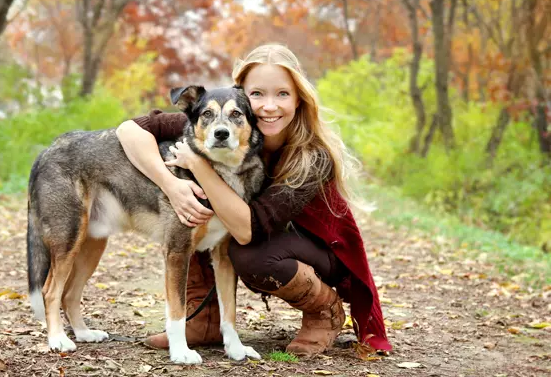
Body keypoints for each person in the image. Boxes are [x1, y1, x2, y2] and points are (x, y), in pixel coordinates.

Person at [116, 43, 392, 356]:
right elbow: (129, 130)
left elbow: (247, 228)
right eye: (258, 94)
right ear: (240, 93)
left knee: (245, 252)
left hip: (318, 251)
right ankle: (204, 317)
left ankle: (323, 311)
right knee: (192, 209)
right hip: (260, 231)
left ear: (299, 98)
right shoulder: (218, 122)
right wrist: (170, 185)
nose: (269, 106)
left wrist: (197, 164)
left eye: (282, 94)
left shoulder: (310, 158)